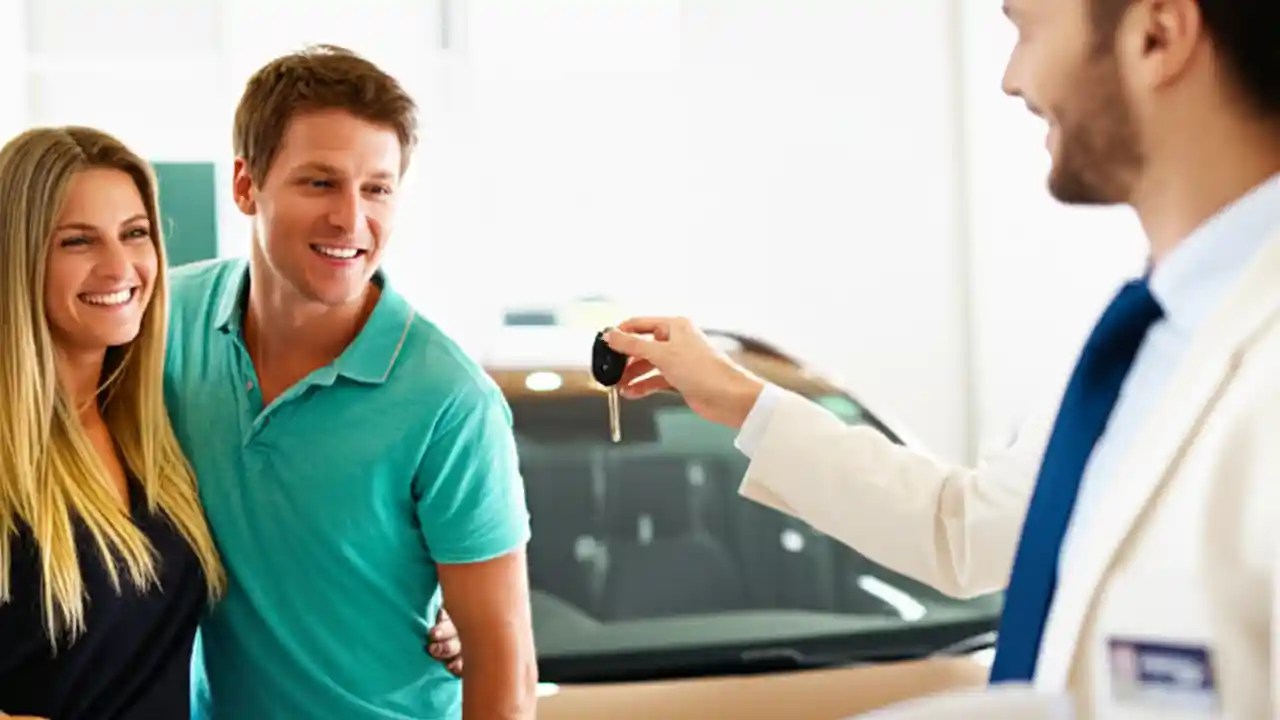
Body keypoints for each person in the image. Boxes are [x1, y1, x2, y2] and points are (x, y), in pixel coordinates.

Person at [603, 0, 1280, 716]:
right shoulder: (1144, 341)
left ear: (1158, 35)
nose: (1013, 79)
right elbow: (966, 530)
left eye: (1027, 29)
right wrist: (743, 401)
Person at [163, 45, 536, 719]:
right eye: (319, 183)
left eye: (377, 189)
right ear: (246, 184)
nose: (351, 219)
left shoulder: (449, 400)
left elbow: (502, 660)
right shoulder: (166, 323)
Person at [0, 126, 226, 719]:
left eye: (135, 233)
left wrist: (427, 603)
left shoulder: (155, 429)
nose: (120, 266)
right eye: (78, 241)